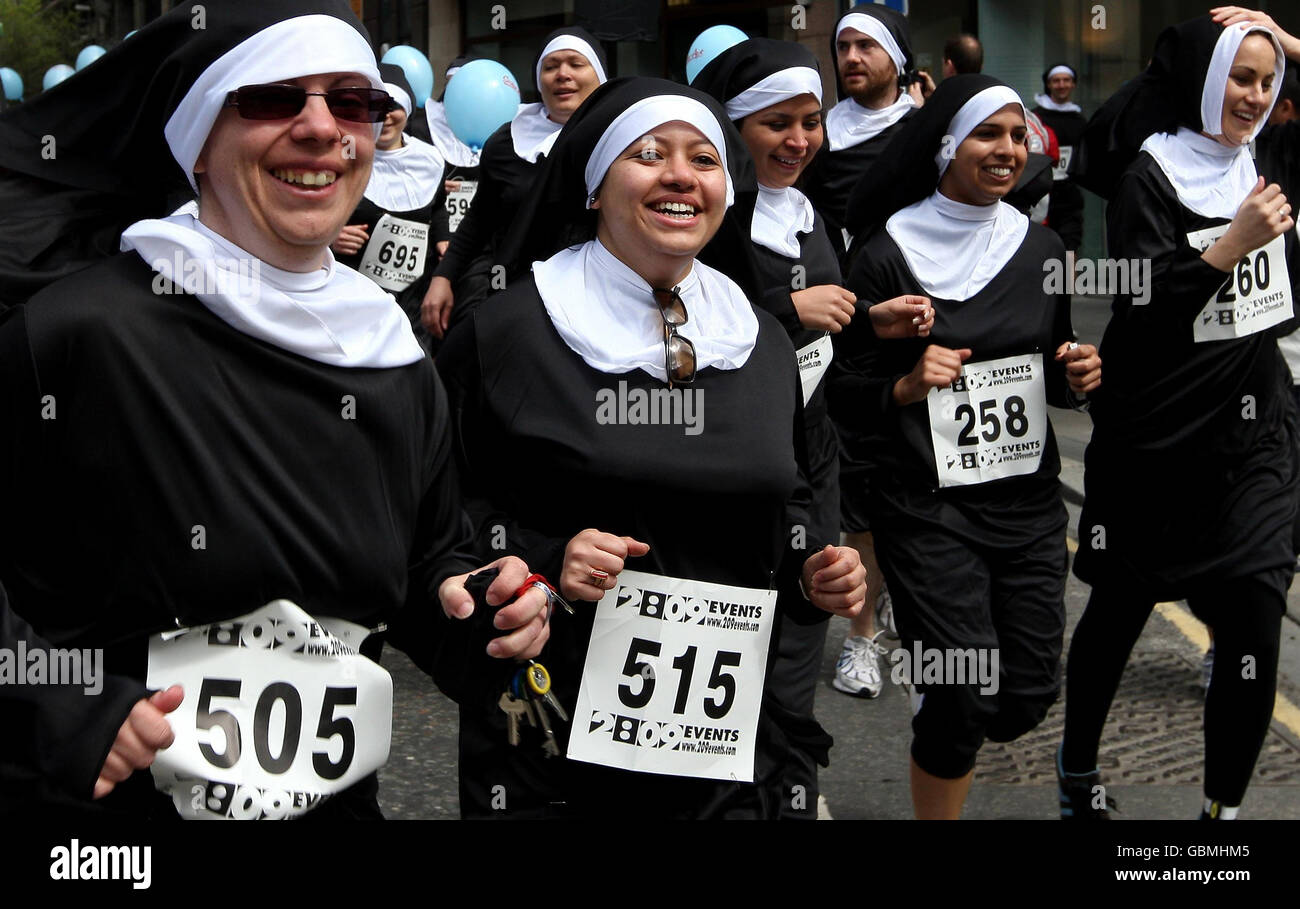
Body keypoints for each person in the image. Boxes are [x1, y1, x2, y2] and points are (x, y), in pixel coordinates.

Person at [0, 0, 549, 819]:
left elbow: (424, 573)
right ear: (197, 147)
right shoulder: (77, 332)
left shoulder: (393, 356)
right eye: (272, 98)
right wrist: (65, 708)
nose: (322, 128)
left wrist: (485, 609)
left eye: (352, 101)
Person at [436, 76, 867, 819]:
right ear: (594, 187)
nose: (679, 174)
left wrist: (807, 572)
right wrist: (543, 558)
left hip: (723, 741)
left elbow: (786, 493)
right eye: (648, 153)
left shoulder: (757, 339)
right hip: (549, 731)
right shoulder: (509, 330)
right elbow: (433, 509)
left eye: (704, 159)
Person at [828, 74, 1101, 820]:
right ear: (947, 145)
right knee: (961, 696)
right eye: (989, 133)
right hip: (926, 508)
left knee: (1024, 694)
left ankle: (945, 699)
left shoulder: (1042, 246)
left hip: (1028, 508)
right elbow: (840, 395)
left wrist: (1078, 374)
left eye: (1019, 136)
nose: (1008, 149)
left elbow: (1053, 366)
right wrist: (906, 386)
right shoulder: (887, 254)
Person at [1065, 13, 1295, 820]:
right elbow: (1144, 310)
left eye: (1268, 82)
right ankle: (1075, 772)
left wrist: (1279, 35)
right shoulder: (1149, 174)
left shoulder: (1268, 155)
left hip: (1255, 436)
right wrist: (1230, 245)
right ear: (1203, 80)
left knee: (1257, 616)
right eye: (1240, 77)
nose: (1256, 96)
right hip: (1157, 434)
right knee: (1119, 612)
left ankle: (1219, 816)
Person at [693, 37, 922, 813]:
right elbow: (674, 330)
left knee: (802, 620)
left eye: (811, 122)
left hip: (812, 453)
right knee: (729, 630)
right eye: (775, 124)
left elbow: (826, 331)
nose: (798, 140)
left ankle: (790, 783)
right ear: (735, 132)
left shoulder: (812, 212)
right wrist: (788, 309)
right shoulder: (703, 213)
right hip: (725, 462)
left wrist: (870, 320)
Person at [420, 26, 607, 340]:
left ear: (599, 74)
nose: (562, 74)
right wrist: (444, 277)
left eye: (576, 64)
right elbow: (480, 219)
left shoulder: (621, 141)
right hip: (515, 296)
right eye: (550, 66)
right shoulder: (508, 141)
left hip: (596, 305)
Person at [331, 62, 446, 349]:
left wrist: (445, 238)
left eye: (393, 106)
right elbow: (310, 211)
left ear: (407, 110)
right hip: (354, 293)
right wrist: (329, 238)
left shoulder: (430, 159)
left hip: (415, 297)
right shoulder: (343, 155)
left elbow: (438, 206)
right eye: (376, 106)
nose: (386, 116)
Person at [804, 4, 920, 267]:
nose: (851, 57)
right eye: (843, 47)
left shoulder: (920, 132)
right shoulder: (818, 133)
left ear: (895, 56)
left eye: (865, 45)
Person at [1031, 64, 1088, 252]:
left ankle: (1069, 282)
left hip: (1069, 196)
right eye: (1056, 81)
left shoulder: (1080, 120)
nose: (1061, 85)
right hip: (1041, 196)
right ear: (1048, 84)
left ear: (1073, 85)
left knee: (1070, 249)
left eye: (1066, 80)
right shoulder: (1036, 118)